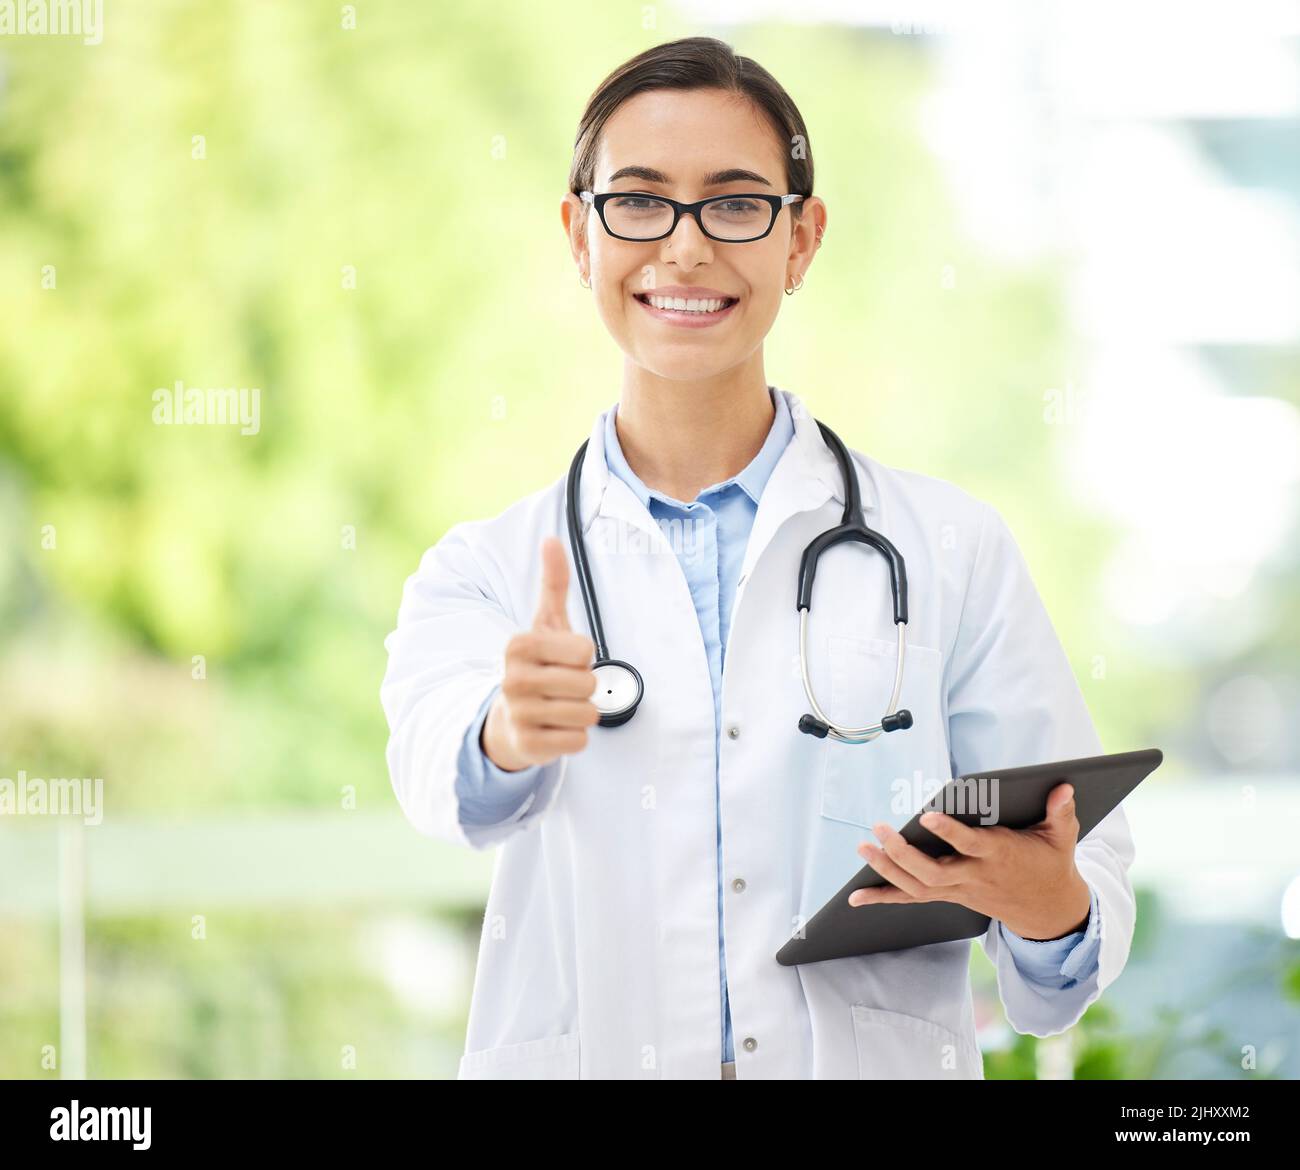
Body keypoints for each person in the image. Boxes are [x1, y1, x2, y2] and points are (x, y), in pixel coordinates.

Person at [381, 36, 1135, 1080]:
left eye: (734, 204)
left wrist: (1050, 906)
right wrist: (506, 732)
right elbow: (437, 778)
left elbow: (1073, 912)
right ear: (577, 233)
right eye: (638, 202)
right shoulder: (487, 570)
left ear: (801, 237)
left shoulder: (952, 551)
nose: (684, 249)